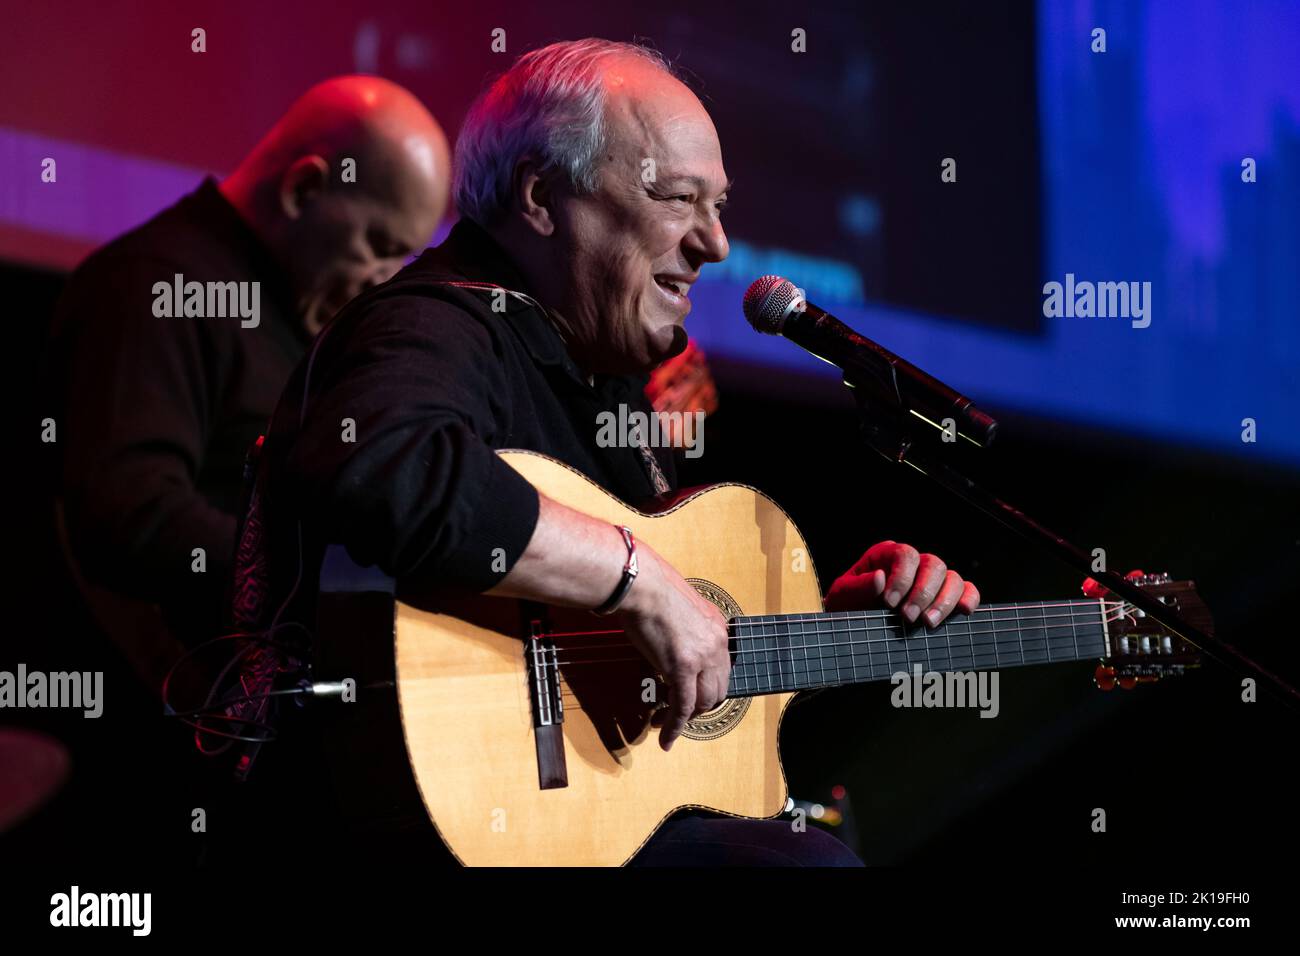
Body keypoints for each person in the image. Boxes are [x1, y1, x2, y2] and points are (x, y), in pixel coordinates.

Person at [259, 40, 980, 866]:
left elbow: (628, 669)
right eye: (679, 199)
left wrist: (829, 633)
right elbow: (386, 470)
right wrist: (639, 576)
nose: (715, 244)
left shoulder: (601, 383)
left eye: (719, 205)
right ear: (541, 196)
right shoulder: (432, 323)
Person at [51, 74, 451, 661]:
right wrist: (325, 586)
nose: (386, 280)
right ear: (304, 188)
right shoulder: (150, 287)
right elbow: (127, 517)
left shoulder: (292, 305)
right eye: (381, 246)